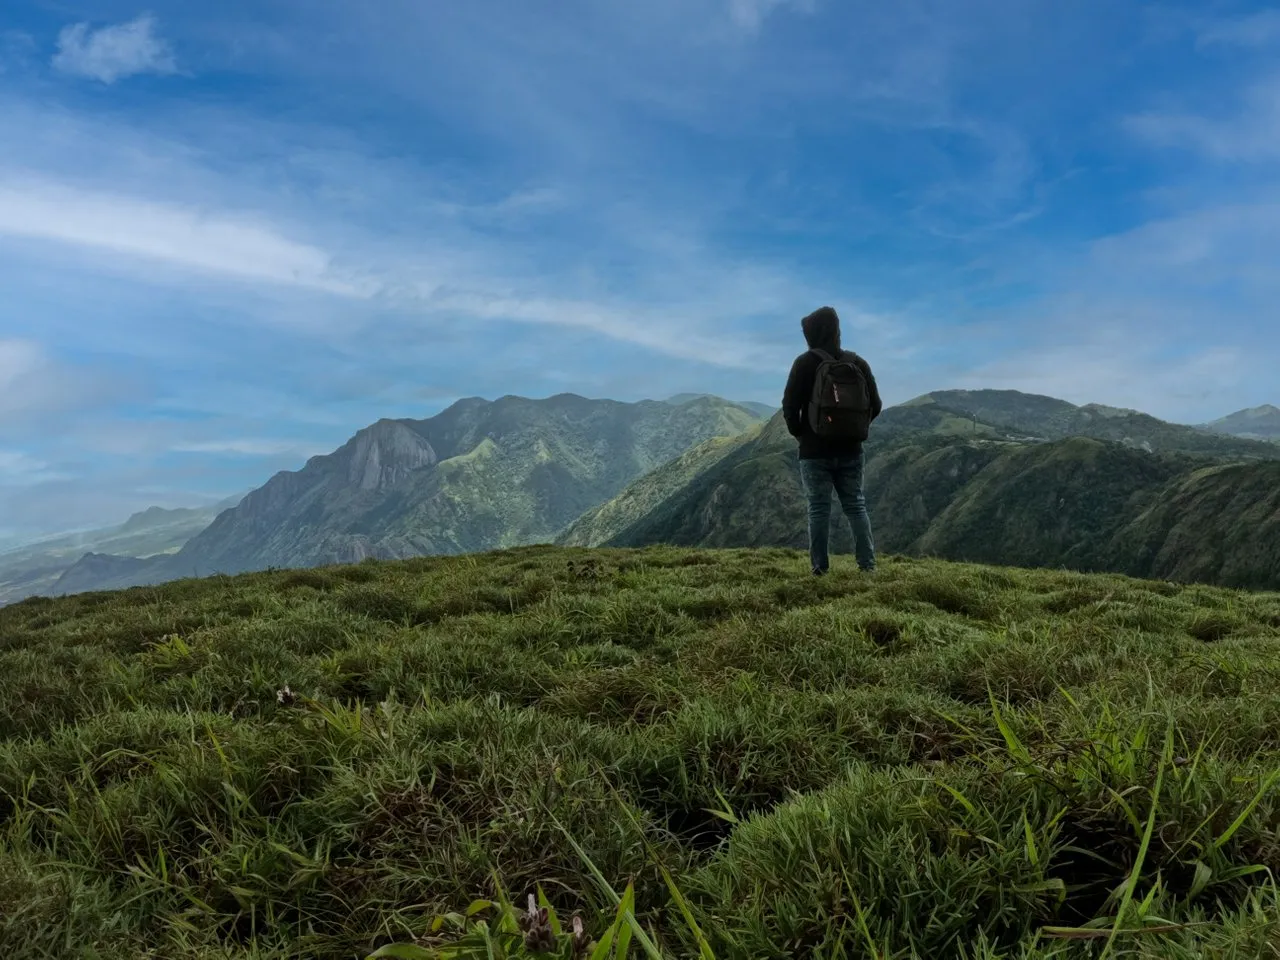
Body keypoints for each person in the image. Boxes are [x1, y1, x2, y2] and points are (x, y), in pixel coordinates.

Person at [781, 306, 883, 576]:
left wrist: (802, 434)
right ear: (836, 330)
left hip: (814, 452)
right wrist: (855, 429)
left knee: (818, 509)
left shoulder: (804, 363)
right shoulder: (857, 363)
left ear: (812, 333)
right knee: (856, 505)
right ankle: (867, 566)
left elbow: (789, 407)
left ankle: (820, 569)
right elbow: (877, 404)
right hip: (851, 449)